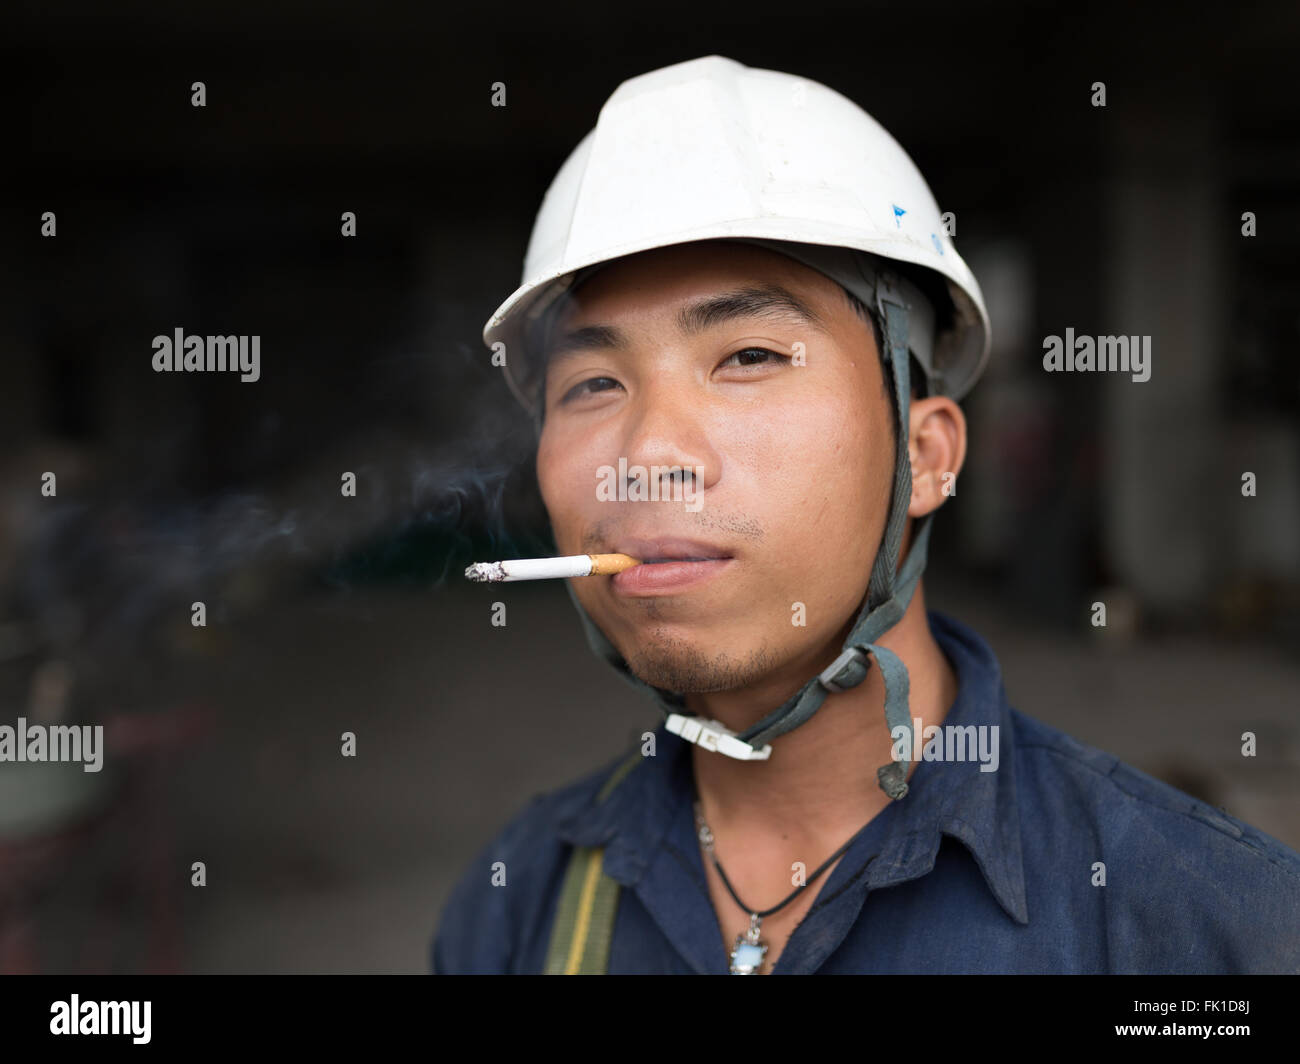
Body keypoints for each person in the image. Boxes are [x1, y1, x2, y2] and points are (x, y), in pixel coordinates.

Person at [432, 55, 1300, 974]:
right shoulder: (521, 902)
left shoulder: (1206, 931)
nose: (646, 457)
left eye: (751, 357)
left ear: (926, 456)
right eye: (594, 383)